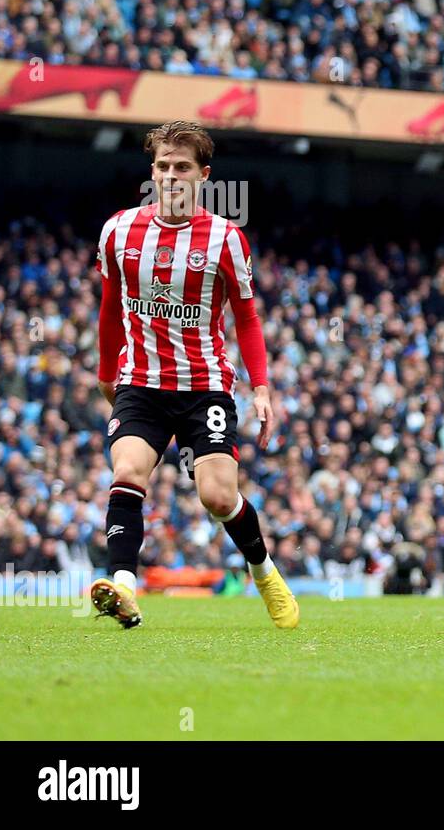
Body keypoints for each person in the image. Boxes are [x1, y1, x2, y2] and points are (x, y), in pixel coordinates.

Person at [89, 120, 298, 630]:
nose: (171, 176)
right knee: (128, 471)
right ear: (152, 172)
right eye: (162, 166)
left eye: (182, 167)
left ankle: (264, 572)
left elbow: (247, 318)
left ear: (203, 175)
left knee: (218, 497)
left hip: (203, 386)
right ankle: (123, 586)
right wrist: (104, 371)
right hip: (140, 381)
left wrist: (262, 388)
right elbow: (111, 307)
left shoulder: (226, 239)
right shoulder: (118, 231)